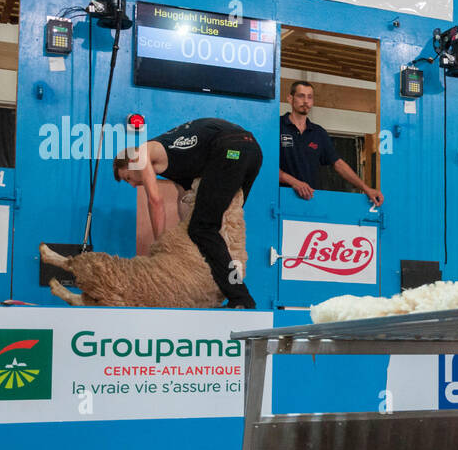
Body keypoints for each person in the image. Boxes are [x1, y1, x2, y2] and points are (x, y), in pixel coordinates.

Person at [114, 118, 262, 309]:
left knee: (202, 229)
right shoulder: (180, 162)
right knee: (218, 224)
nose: (133, 184)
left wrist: (161, 248)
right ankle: (230, 292)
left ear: (132, 161)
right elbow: (189, 201)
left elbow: (155, 201)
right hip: (252, 152)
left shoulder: (142, 153)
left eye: (128, 178)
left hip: (230, 149)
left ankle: (241, 298)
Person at [279, 81, 384, 205]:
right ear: (290, 99)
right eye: (301, 96)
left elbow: (338, 164)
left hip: (310, 201)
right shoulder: (277, 126)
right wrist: (294, 182)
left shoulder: (318, 133)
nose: (306, 101)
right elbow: (266, 165)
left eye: (310, 97)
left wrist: (366, 189)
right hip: (280, 198)